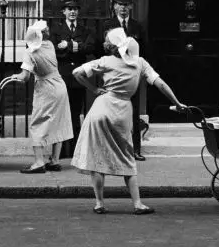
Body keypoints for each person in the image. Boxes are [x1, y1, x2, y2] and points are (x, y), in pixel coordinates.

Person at [71, 27, 187, 215]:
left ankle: (99, 203)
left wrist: (93, 89)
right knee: (127, 156)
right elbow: (160, 84)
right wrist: (177, 103)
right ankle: (137, 203)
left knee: (96, 158)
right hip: (122, 111)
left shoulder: (105, 61)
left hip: (101, 108)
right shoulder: (140, 63)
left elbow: (77, 73)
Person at [8, 20, 73, 173]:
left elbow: (24, 77)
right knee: (59, 121)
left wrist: (14, 76)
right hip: (60, 85)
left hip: (46, 88)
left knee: (37, 123)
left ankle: (38, 162)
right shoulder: (49, 45)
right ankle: (55, 161)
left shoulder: (29, 53)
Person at [103, 0, 147, 161]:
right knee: (113, 113)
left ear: (131, 6)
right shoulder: (108, 25)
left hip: (132, 76)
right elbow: (102, 51)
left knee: (134, 112)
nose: (123, 8)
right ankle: (113, 149)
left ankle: (135, 149)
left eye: (126, 5)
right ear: (114, 6)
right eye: (120, 4)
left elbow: (145, 50)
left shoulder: (137, 27)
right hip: (114, 76)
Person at [49, 0, 95, 158]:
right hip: (62, 77)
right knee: (60, 114)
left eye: (75, 8)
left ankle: (74, 150)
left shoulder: (85, 29)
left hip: (78, 78)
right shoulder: (56, 29)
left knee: (76, 114)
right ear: (63, 12)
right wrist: (76, 47)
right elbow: (54, 50)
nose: (73, 12)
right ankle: (59, 153)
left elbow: (90, 47)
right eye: (69, 9)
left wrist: (68, 45)